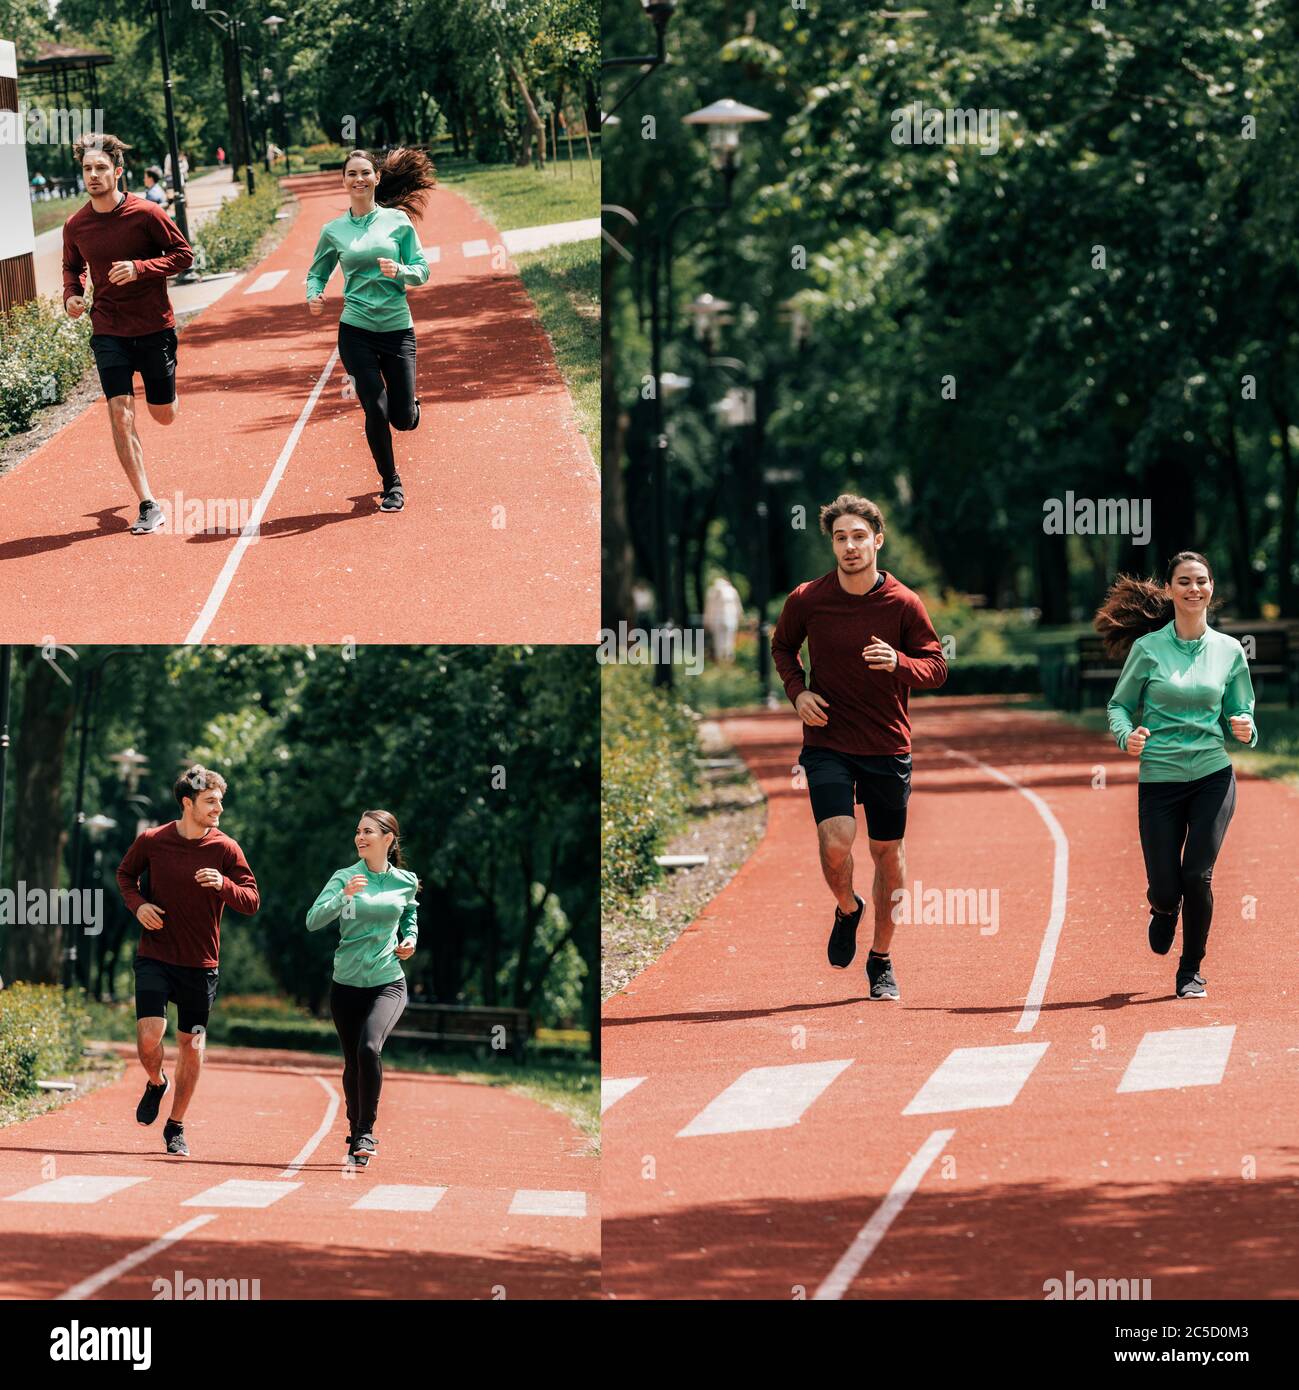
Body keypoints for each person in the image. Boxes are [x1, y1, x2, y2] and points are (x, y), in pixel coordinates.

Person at [771, 494, 948, 1000]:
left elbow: (936, 667)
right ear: (832, 544)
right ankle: (848, 908)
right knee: (836, 839)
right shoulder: (807, 598)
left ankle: (882, 960)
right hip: (827, 740)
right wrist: (798, 690)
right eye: (840, 538)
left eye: (858, 536)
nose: (850, 546)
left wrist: (898, 662)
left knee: (887, 852)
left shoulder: (903, 603)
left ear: (878, 540)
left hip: (887, 744)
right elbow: (783, 646)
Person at [1099, 552, 1256, 999]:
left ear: (1211, 588)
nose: (1193, 589)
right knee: (1167, 887)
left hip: (1212, 774)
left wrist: (1245, 725)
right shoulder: (1148, 650)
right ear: (1169, 590)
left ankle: (1191, 969)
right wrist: (1126, 735)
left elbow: (1240, 709)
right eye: (1184, 582)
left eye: (1201, 581)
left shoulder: (1228, 651)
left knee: (1197, 875)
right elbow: (1119, 706)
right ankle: (1164, 909)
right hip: (1160, 781)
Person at [115, 766, 260, 1156]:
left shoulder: (226, 849)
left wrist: (224, 884)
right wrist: (139, 904)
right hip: (155, 955)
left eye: (220, 801)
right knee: (149, 1035)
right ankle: (155, 1081)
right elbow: (125, 875)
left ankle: (175, 1125)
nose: (219, 809)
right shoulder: (152, 841)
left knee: (192, 1045)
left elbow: (251, 900)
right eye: (211, 801)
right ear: (187, 802)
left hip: (200, 963)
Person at [62, 133, 194, 535]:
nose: (94, 175)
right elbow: (72, 267)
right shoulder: (77, 224)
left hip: (154, 326)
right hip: (108, 329)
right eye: (88, 168)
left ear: (118, 172)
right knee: (120, 414)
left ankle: (168, 391)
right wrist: (71, 295)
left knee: (164, 415)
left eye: (101, 167)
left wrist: (140, 268)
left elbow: (184, 255)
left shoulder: (147, 213)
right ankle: (147, 503)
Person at [306, 147, 435, 512]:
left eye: (365, 172)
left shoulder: (397, 222)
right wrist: (314, 293)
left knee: (403, 420)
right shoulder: (333, 231)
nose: (359, 179)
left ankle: (410, 407)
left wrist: (402, 271)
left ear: (377, 178)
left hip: (397, 329)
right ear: (343, 181)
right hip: (356, 330)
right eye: (351, 174)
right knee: (374, 409)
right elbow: (317, 271)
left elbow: (422, 268)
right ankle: (391, 483)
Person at [306, 810, 419, 1166]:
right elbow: (313, 920)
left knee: (369, 1048)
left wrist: (410, 938)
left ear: (388, 839)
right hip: (346, 985)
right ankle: (355, 1130)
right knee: (353, 1060)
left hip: (388, 980)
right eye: (357, 831)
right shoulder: (344, 877)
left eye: (368, 831)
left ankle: (366, 1131)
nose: (360, 837)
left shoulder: (406, 881)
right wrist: (343, 897)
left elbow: (410, 915)